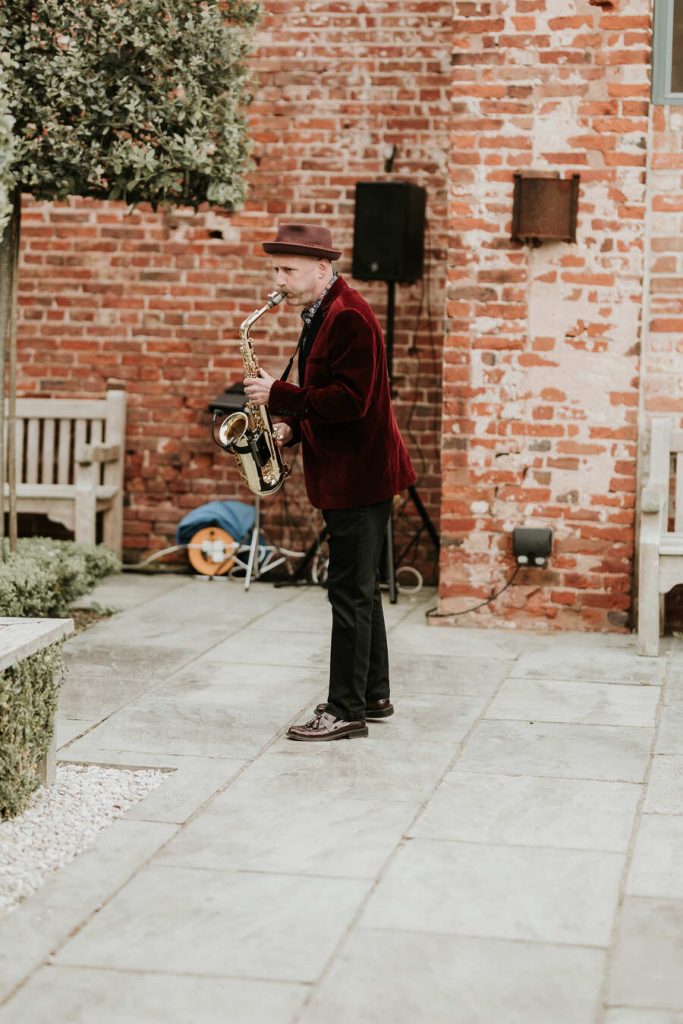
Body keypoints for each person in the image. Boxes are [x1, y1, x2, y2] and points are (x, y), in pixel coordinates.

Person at [243, 223, 416, 741]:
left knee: (347, 593)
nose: (279, 278)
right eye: (277, 268)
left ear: (322, 269)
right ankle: (372, 694)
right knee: (360, 590)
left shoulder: (349, 317)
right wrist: (290, 426)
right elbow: (327, 392)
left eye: (288, 270)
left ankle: (345, 711)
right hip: (353, 472)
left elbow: (351, 400)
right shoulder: (323, 310)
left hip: (359, 478)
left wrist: (279, 393)